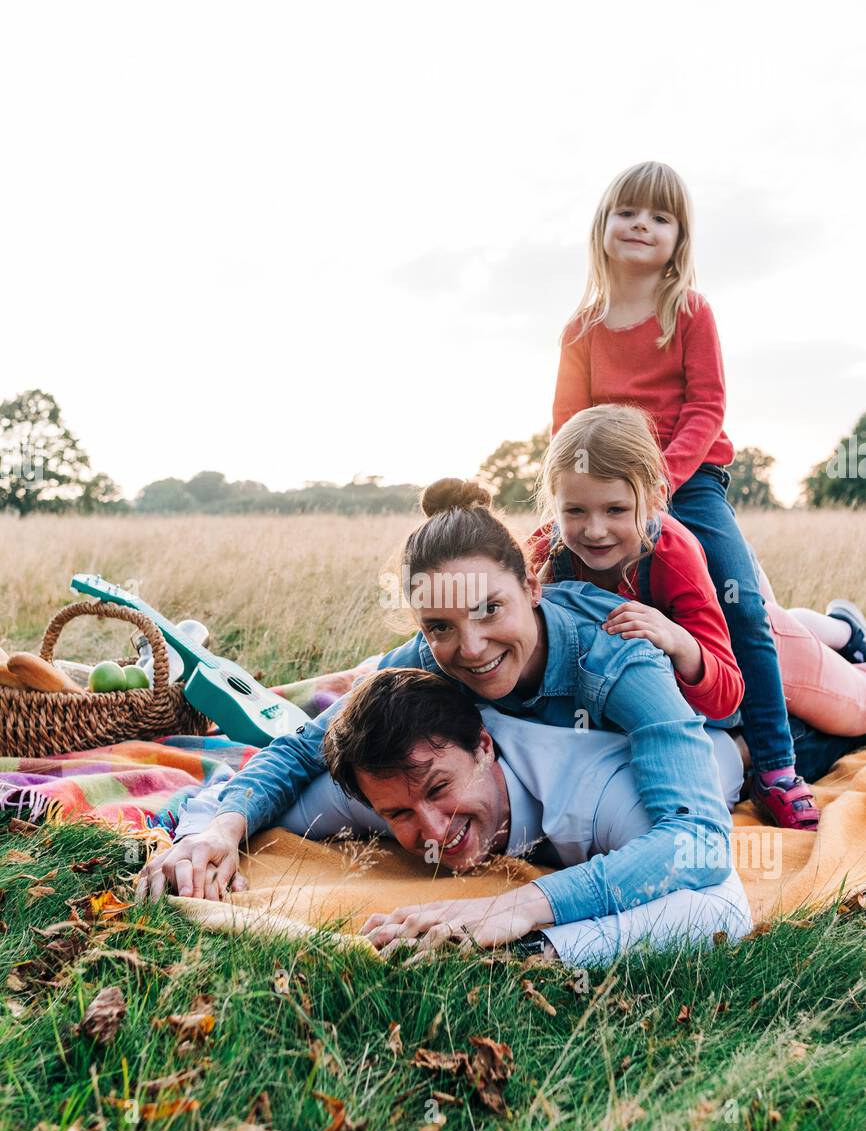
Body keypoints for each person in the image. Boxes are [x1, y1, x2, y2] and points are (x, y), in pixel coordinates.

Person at [136, 479, 734, 912]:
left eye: (490, 610)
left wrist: (525, 905)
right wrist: (218, 829)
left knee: (795, 675)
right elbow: (304, 748)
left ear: (532, 585)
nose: (470, 649)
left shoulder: (615, 657)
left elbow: (697, 839)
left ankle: (831, 630)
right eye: (440, 625)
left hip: (724, 713)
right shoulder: (428, 659)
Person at [550, 160, 817, 829]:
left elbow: (707, 407)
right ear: (604, 225)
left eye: (660, 216)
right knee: (553, 583)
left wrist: (657, 485)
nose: (642, 224)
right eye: (629, 211)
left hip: (687, 481)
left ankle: (777, 763)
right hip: (599, 488)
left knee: (740, 602)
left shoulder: (689, 312)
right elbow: (567, 426)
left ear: (678, 238)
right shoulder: (581, 330)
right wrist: (580, 499)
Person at [170, 667, 753, 965]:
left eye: (441, 788)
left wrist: (528, 931)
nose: (432, 831)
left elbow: (722, 901)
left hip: (730, 738)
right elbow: (272, 774)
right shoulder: (384, 784)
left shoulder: (600, 793)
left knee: (818, 693)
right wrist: (209, 831)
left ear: (484, 748)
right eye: (398, 813)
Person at [532, 404, 866, 754]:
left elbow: (728, 696)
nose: (595, 530)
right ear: (555, 504)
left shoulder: (672, 555)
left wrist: (678, 639)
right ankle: (839, 625)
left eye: (616, 509)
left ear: (654, 500)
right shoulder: (548, 551)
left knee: (858, 715)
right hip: (704, 674)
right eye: (574, 511)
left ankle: (845, 629)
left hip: (769, 655)